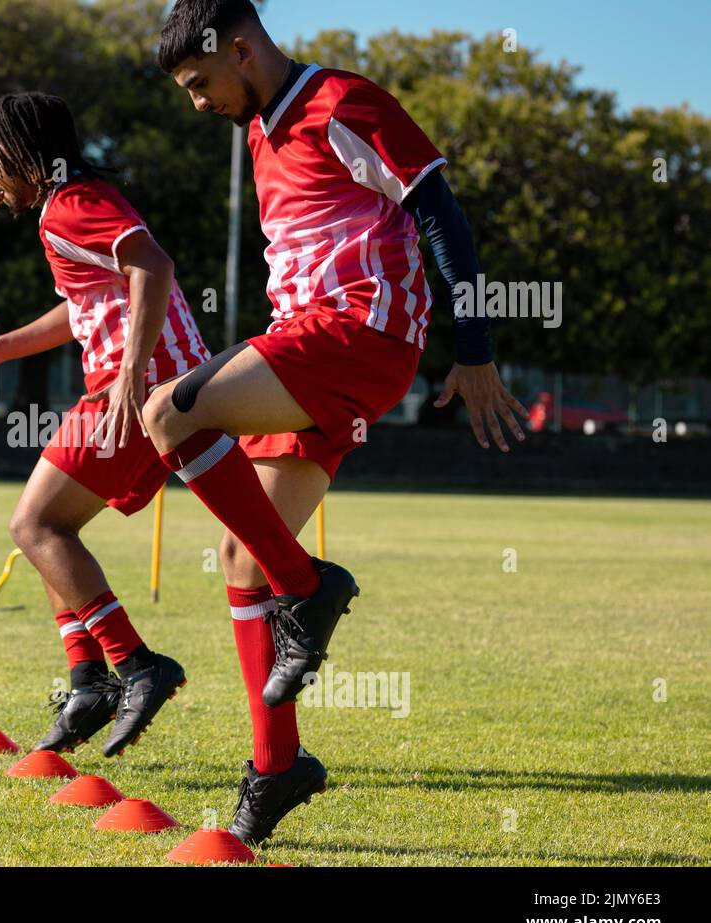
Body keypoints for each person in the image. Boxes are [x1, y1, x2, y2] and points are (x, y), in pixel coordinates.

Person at [153, 0, 529, 844]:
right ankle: (278, 768)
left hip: (359, 333)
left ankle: (311, 586)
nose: (198, 102)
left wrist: (474, 348)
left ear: (242, 50)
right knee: (239, 557)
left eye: (200, 83)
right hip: (307, 346)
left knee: (166, 413)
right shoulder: (259, 133)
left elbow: (443, 215)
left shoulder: (344, 103)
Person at [0, 93, 210, 757]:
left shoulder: (70, 203)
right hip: (154, 387)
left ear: (25, 152)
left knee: (33, 525)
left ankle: (135, 665)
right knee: (51, 530)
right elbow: (82, 307)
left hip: (138, 389)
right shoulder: (69, 208)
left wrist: (132, 372)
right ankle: (88, 678)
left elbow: (154, 266)